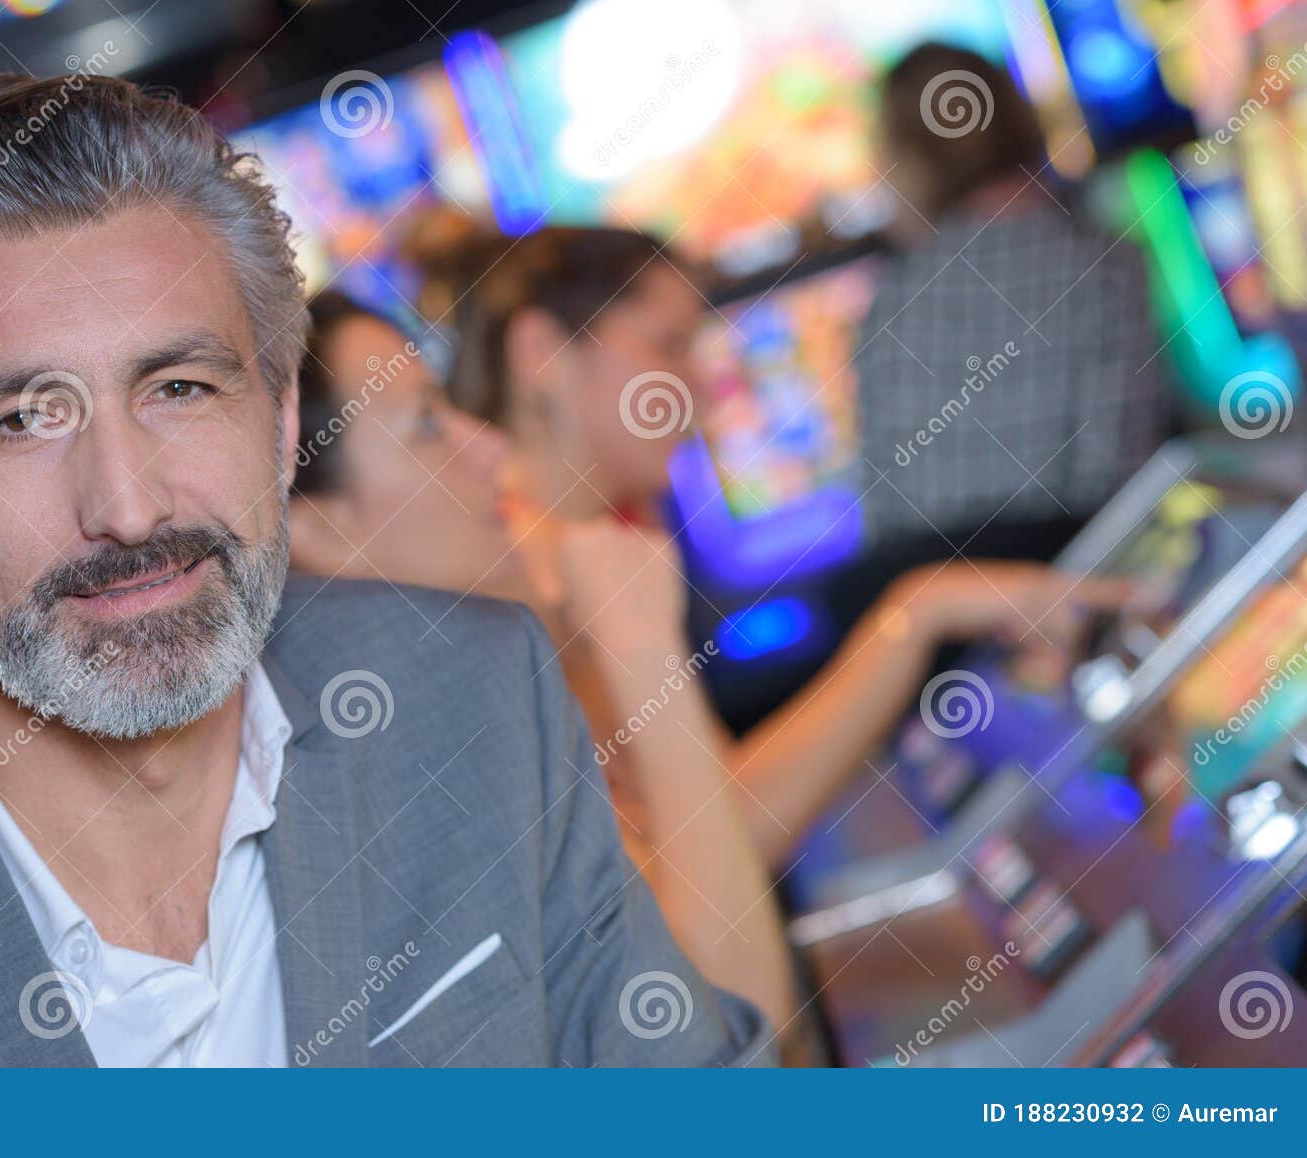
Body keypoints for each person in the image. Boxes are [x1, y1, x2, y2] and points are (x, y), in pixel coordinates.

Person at [0, 75, 769, 1068]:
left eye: (179, 388)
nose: (127, 509)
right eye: (23, 419)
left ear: (282, 422)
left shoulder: (473, 700)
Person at [289, 285, 1131, 1045]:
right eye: (666, 343)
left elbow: (700, 842)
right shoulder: (416, 767)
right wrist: (640, 645)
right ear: (313, 532)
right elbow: (730, 1037)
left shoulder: (479, 667)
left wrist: (916, 615)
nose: (485, 449)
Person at [855, 42, 1165, 552]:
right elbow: (1121, 497)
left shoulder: (888, 304)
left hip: (944, 616)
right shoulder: (1106, 268)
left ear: (906, 160)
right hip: (1078, 598)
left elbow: (886, 525)